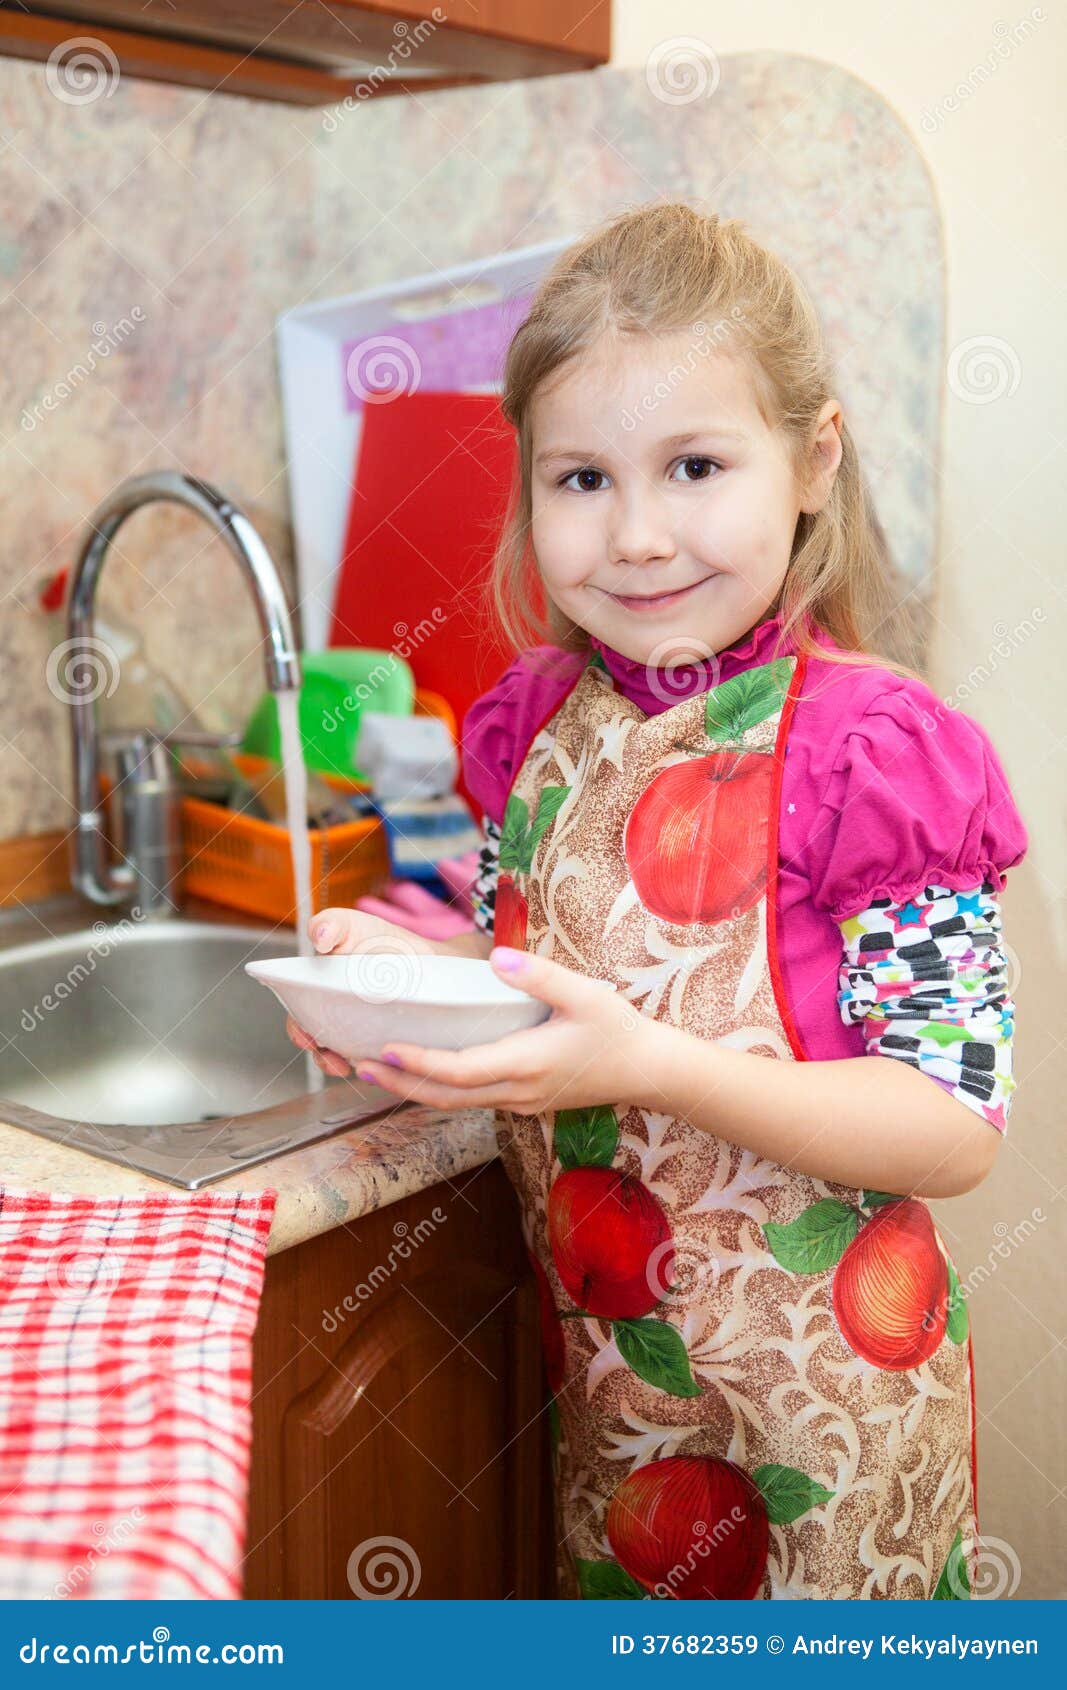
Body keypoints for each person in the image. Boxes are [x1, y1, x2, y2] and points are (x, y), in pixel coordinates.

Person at [287, 201, 1028, 1600]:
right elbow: (533, 955)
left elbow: (952, 1123)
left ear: (811, 463)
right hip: (623, 1422)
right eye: (579, 479)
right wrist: (409, 963)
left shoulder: (879, 757)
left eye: (694, 465)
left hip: (837, 1436)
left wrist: (651, 1066)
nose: (633, 535)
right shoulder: (532, 731)